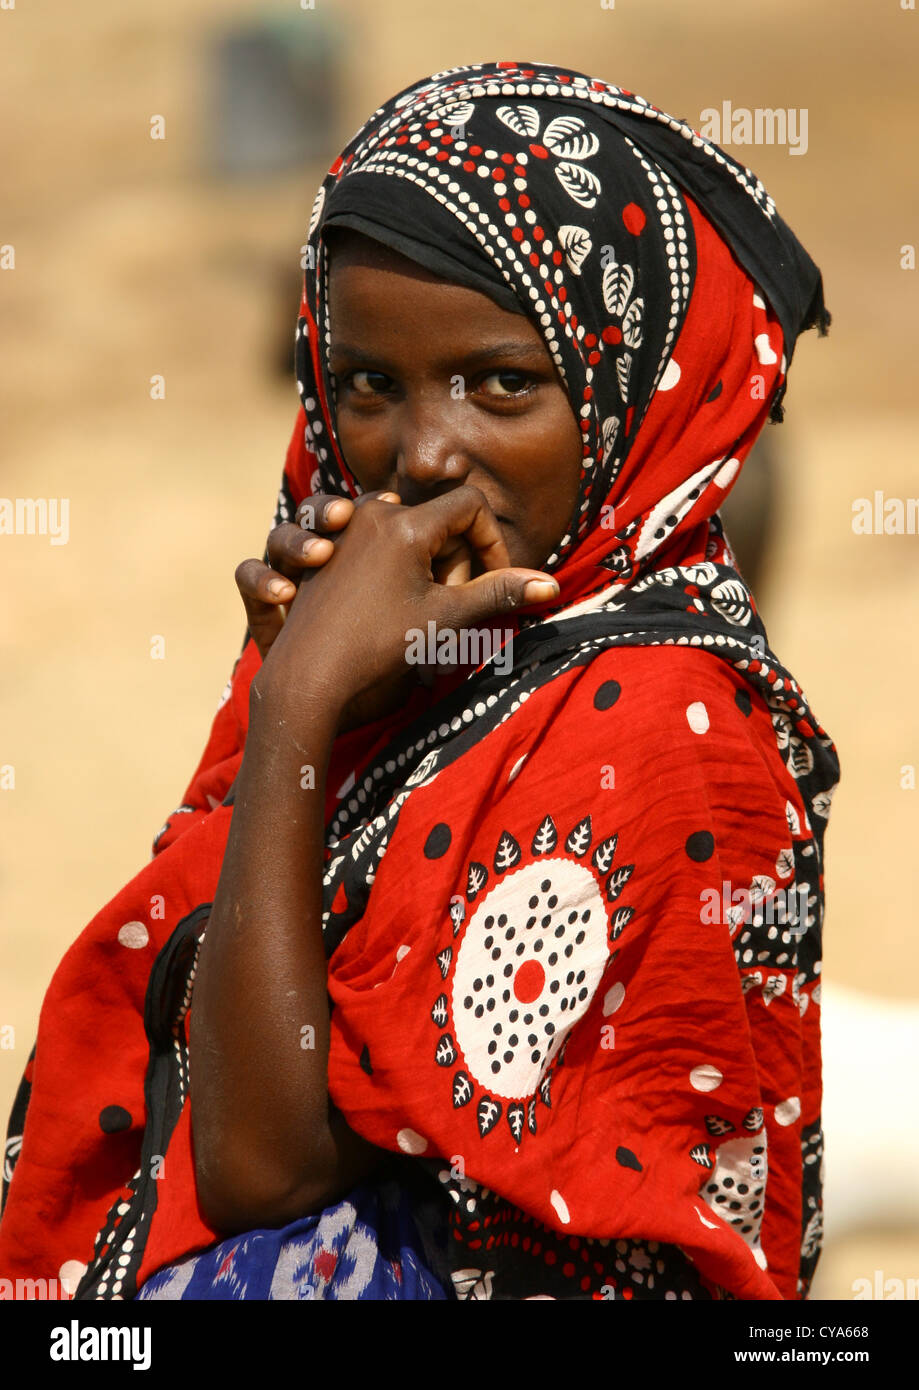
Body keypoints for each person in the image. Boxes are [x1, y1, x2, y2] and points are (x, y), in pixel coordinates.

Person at [0, 60, 838, 1302]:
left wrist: (296, 716)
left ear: (624, 397)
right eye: (368, 386)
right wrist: (312, 702)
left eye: (502, 383)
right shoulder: (420, 668)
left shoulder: (666, 720)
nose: (422, 453)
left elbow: (258, 1165)